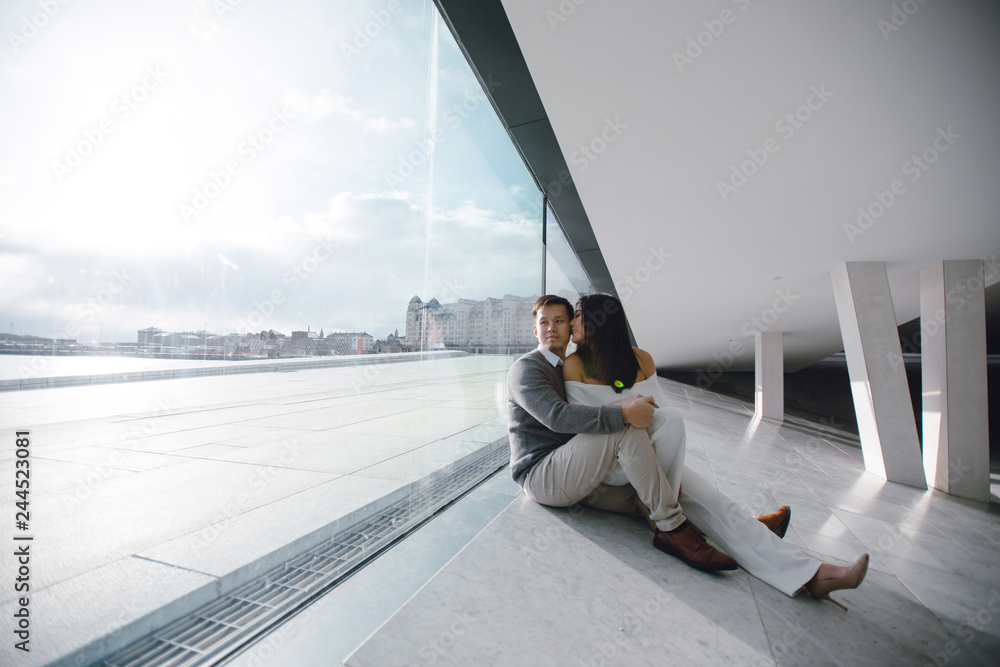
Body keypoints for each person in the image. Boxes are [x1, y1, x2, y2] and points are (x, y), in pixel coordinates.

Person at [507, 293, 868, 608]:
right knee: (629, 432)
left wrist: (629, 405)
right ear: (533, 329)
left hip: (588, 473)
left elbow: (622, 410)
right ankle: (671, 526)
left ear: (572, 326)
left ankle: (810, 574)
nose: (553, 328)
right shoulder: (528, 368)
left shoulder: (572, 363)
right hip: (543, 475)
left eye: (561, 320)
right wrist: (624, 410)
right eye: (544, 322)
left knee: (705, 497)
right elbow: (559, 417)